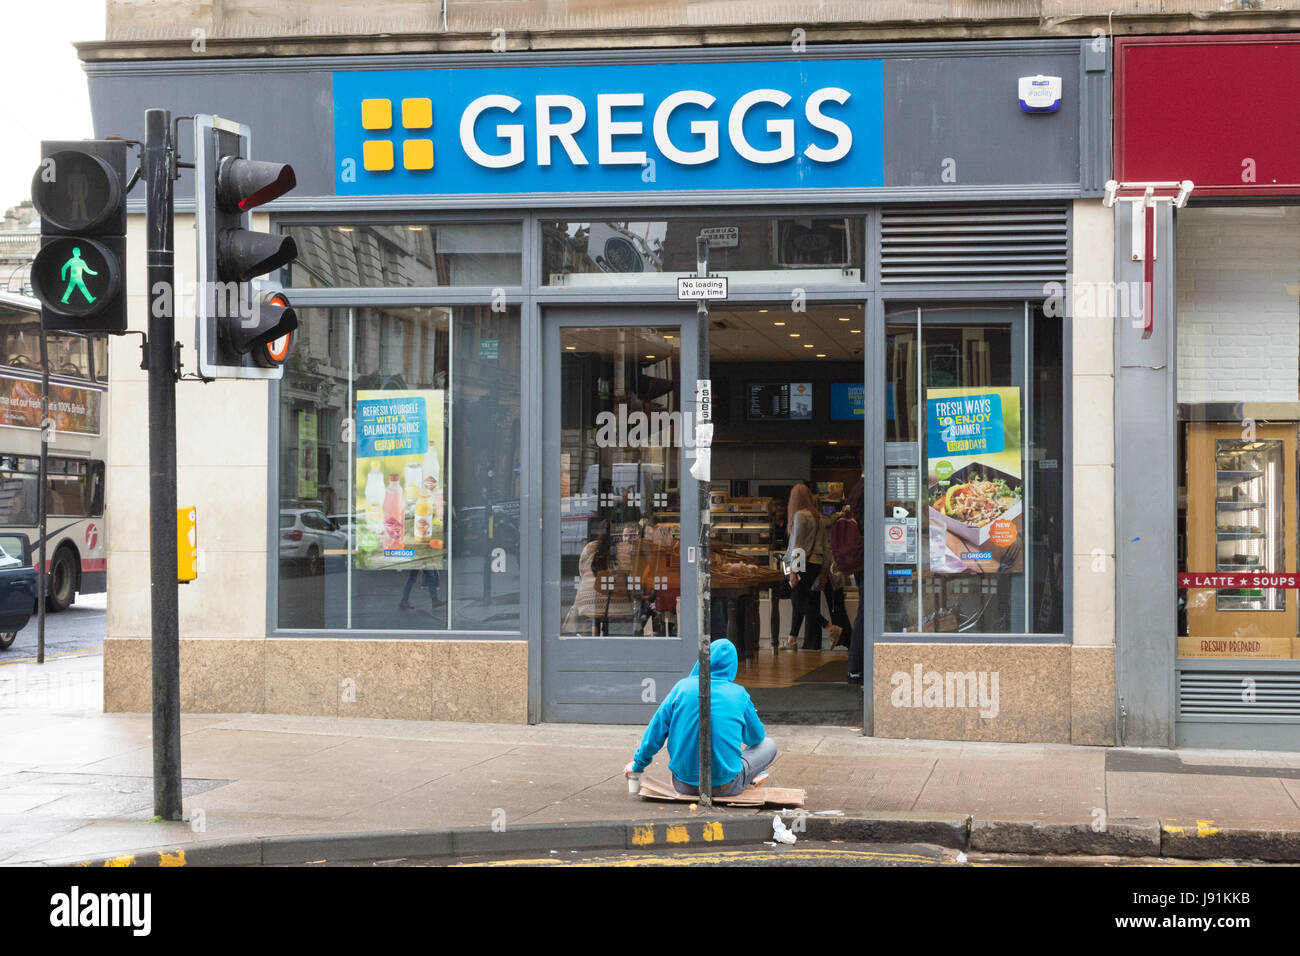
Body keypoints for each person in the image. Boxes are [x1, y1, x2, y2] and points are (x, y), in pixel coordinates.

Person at [623, 639, 776, 797]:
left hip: (683, 785)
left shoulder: (681, 688)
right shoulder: (739, 694)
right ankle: (747, 775)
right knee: (769, 745)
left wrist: (638, 765)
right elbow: (756, 738)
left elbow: (655, 732)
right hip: (726, 787)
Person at [783, 483, 827, 650]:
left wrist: (793, 571)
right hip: (816, 563)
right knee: (800, 600)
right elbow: (825, 547)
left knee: (799, 601)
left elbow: (797, 545)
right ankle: (792, 639)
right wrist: (823, 571)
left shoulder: (800, 516)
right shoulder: (819, 517)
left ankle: (829, 627)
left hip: (802, 563)